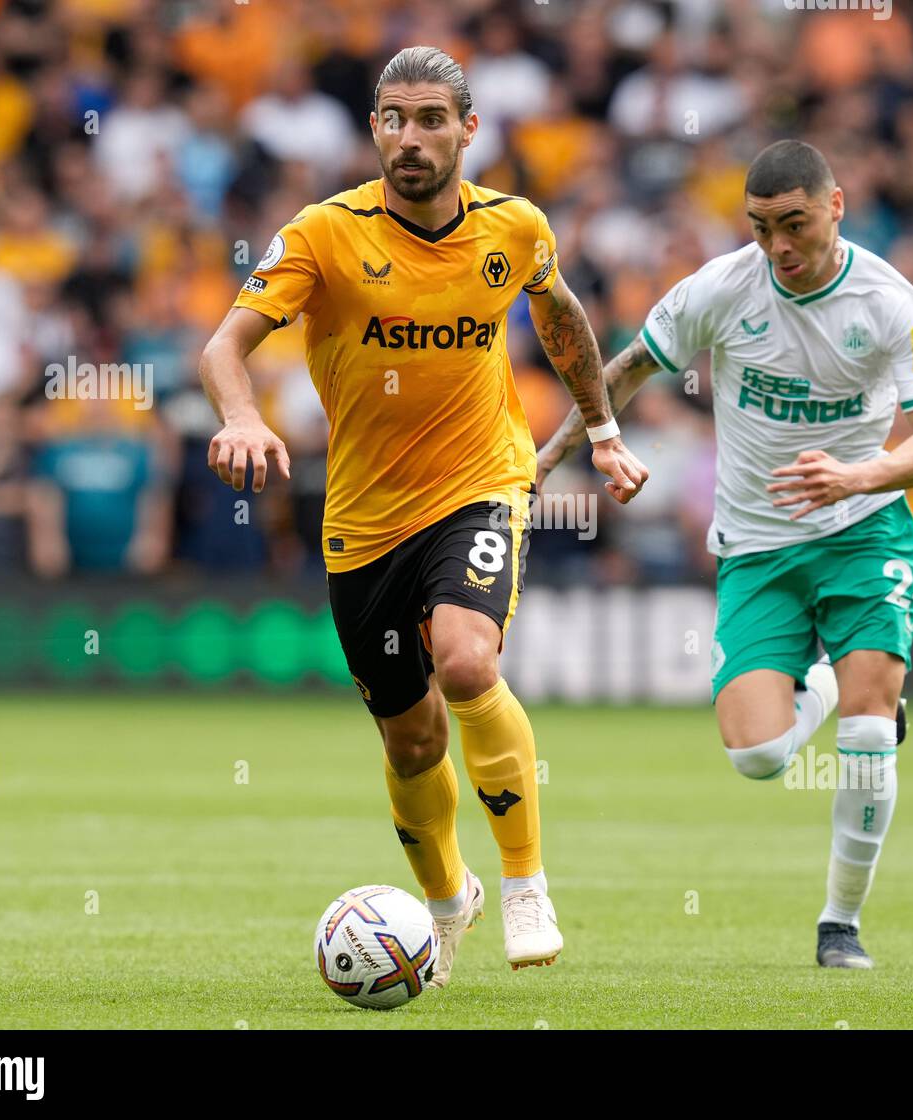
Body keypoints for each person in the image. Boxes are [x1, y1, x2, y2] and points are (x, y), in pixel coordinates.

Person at [198, 47, 647, 988]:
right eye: (393, 118)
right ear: (373, 129)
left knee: (468, 659)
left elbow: (560, 318)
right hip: (364, 519)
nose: (411, 137)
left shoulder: (514, 228)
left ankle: (525, 881)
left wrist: (601, 429)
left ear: (468, 130)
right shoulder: (324, 234)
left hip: (481, 481)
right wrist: (241, 414)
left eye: (431, 119)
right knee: (413, 741)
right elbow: (224, 345)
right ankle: (448, 900)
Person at [538, 140, 913, 969]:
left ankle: (839, 925)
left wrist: (858, 475)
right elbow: (623, 369)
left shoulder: (890, 302)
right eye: (762, 228)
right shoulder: (722, 288)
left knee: (870, 735)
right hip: (757, 547)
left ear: (836, 207)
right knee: (760, 756)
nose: (778, 246)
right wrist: (562, 450)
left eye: (795, 224)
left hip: (863, 529)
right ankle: (834, 678)